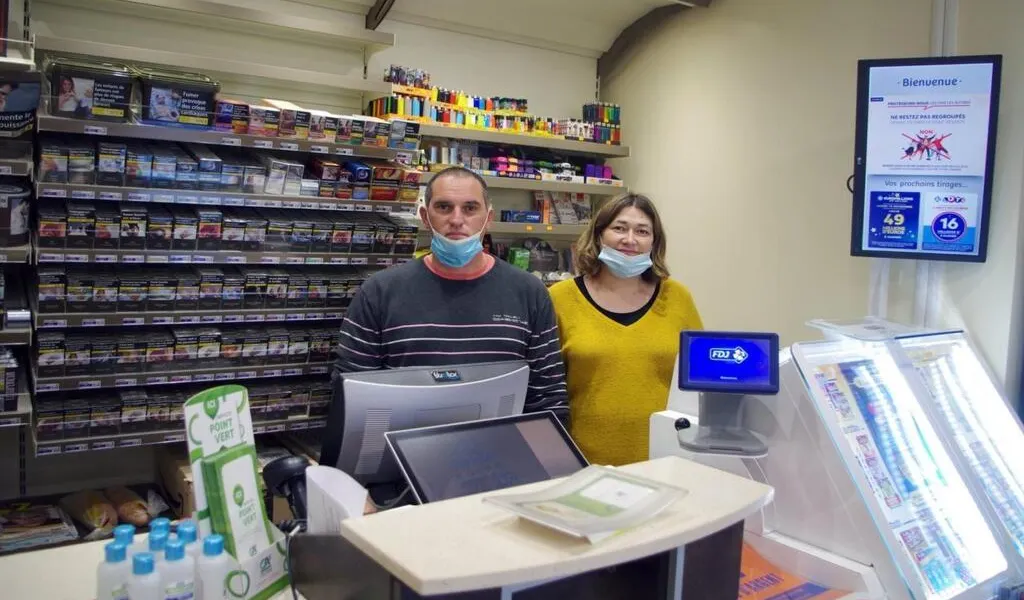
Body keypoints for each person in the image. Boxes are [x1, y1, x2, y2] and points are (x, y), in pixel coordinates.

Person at [334, 166, 568, 421]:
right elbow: (351, 395)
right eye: (444, 207)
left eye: (470, 208)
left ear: (488, 218)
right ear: (425, 217)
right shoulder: (379, 292)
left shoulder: (529, 293)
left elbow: (548, 398)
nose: (457, 219)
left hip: (500, 444)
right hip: (401, 444)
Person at [549, 193, 703, 466]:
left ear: (654, 242)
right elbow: (546, 390)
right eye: (619, 228)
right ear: (599, 235)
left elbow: (700, 380)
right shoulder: (560, 299)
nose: (630, 240)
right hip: (583, 463)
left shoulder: (678, 298)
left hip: (666, 459)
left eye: (642, 231)